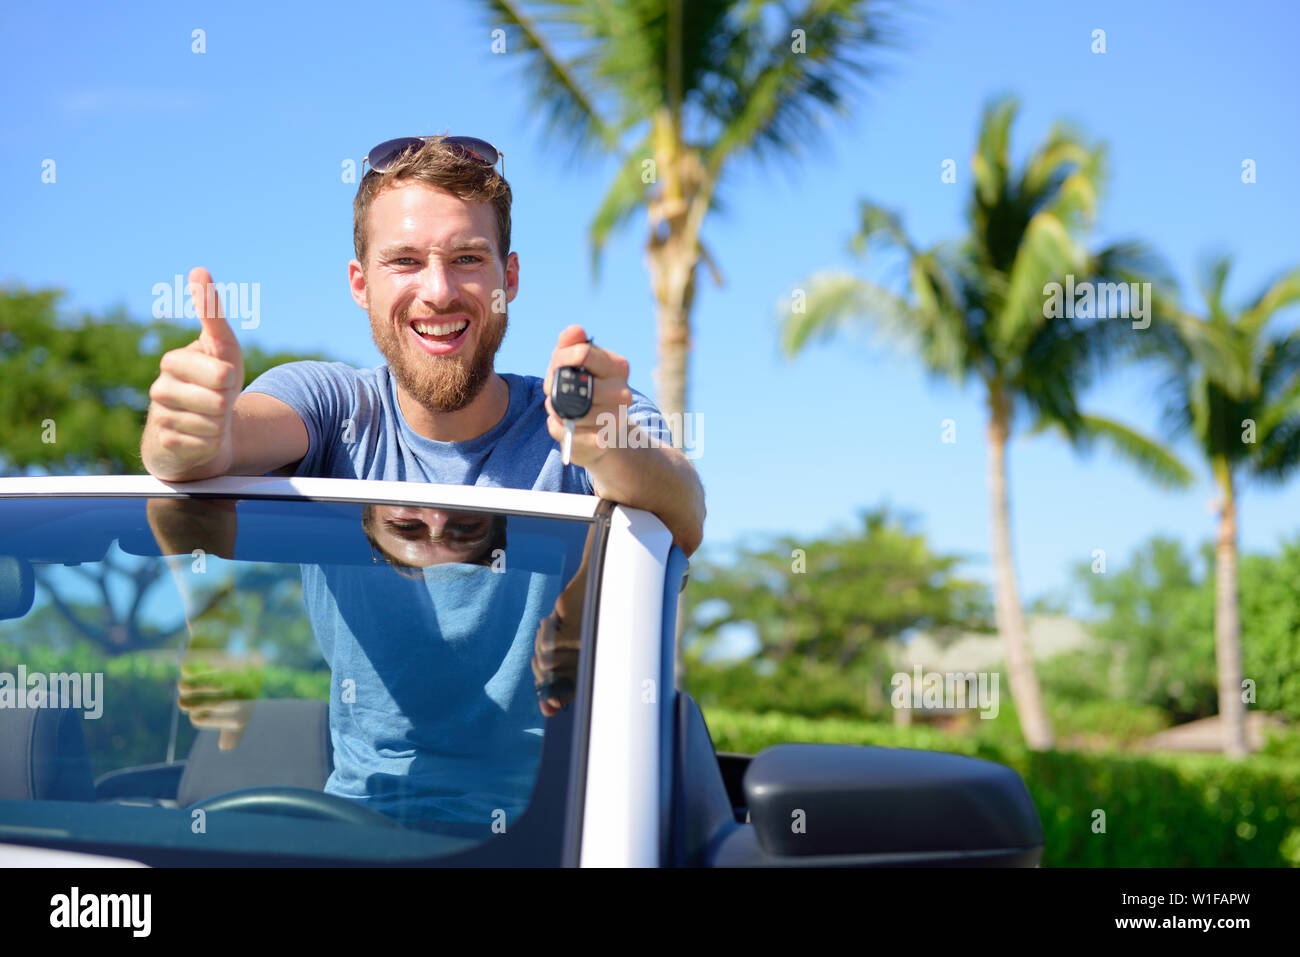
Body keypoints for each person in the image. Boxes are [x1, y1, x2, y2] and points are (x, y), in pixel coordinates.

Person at [139, 134, 705, 828]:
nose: (437, 290)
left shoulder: (579, 409)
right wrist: (185, 434)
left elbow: (682, 504)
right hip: (358, 832)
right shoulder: (332, 407)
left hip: (567, 835)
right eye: (404, 260)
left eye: (468, 259)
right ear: (360, 284)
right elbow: (211, 452)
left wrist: (605, 445)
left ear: (510, 278)